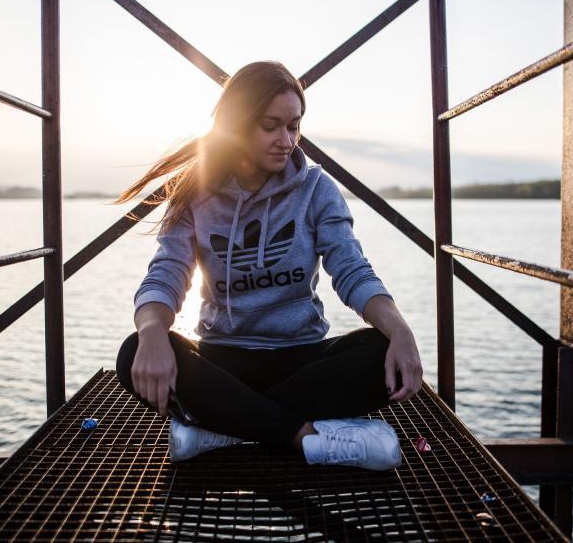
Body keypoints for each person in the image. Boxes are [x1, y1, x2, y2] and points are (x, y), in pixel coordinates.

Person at [114, 61, 423, 470]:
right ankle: (306, 437)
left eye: (294, 126)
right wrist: (152, 331)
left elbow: (351, 269)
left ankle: (219, 428)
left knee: (381, 352)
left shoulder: (316, 188)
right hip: (225, 359)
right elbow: (167, 272)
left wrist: (400, 329)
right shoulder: (194, 193)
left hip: (301, 356)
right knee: (134, 350)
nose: (286, 140)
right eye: (270, 125)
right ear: (238, 125)